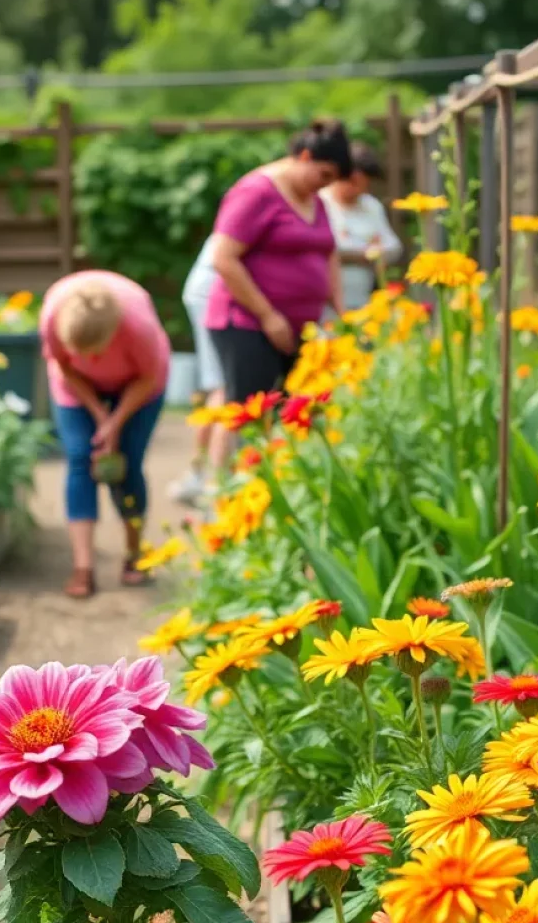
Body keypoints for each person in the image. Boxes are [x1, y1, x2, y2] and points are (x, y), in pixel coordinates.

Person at [40, 271, 169, 599]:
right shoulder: (54, 316)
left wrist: (116, 422)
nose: (89, 360)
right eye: (80, 351)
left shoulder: (138, 327)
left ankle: (134, 555)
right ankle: (83, 567)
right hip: (76, 389)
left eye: (94, 352)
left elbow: (148, 378)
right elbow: (66, 367)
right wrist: (99, 414)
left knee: (127, 463)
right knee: (81, 458)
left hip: (139, 385)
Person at [208, 121, 352, 412]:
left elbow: (329, 253)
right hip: (248, 324)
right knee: (251, 415)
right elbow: (224, 258)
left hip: (302, 328)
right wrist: (268, 316)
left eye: (331, 180)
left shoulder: (315, 201)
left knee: (296, 414)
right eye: (323, 174)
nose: (325, 185)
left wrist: (340, 310)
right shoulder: (256, 192)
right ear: (305, 156)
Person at [168, 234, 228, 506]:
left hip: (214, 291)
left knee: (220, 386)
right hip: (217, 294)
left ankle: (200, 475)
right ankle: (207, 479)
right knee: (225, 387)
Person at [320, 141, 403, 312]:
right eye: (353, 181)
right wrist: (367, 253)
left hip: (364, 300)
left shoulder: (370, 205)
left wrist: (362, 253)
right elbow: (324, 247)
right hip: (326, 303)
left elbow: (393, 247)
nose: (357, 189)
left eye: (363, 183)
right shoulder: (320, 203)